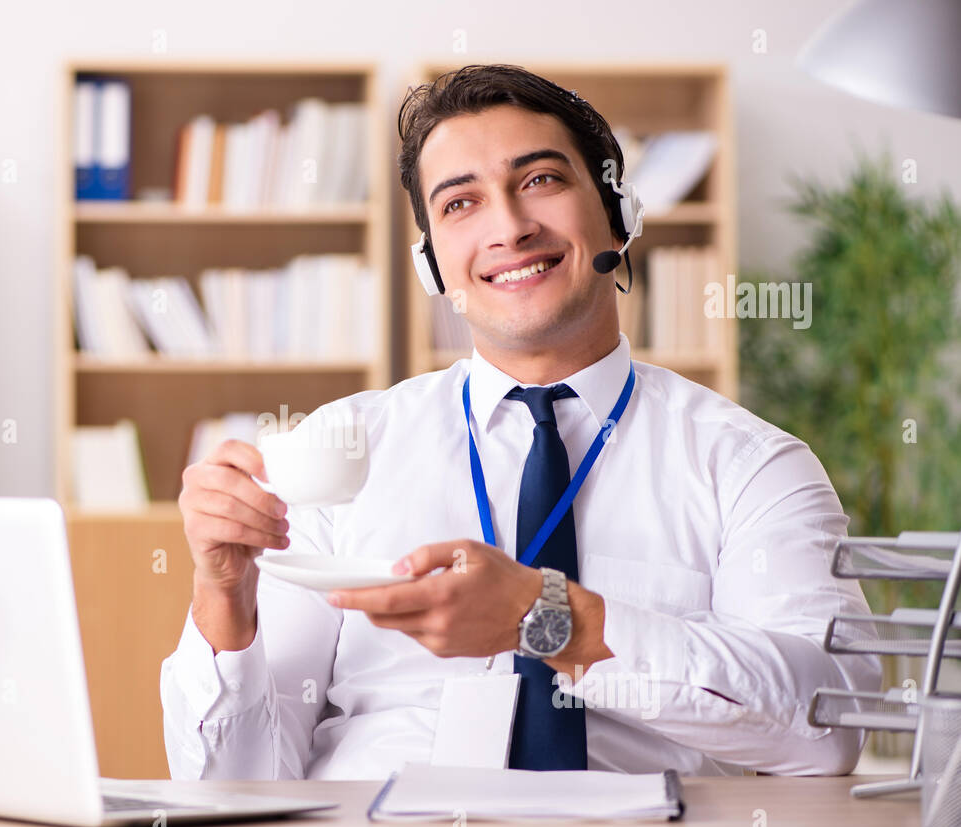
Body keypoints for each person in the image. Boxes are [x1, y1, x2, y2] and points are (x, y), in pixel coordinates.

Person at [161, 63, 881, 780]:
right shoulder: (339, 448)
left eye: (540, 180)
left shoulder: (752, 464)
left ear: (620, 214)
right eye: (460, 204)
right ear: (431, 267)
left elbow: (830, 723)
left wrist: (552, 619)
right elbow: (235, 785)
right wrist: (223, 597)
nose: (508, 226)